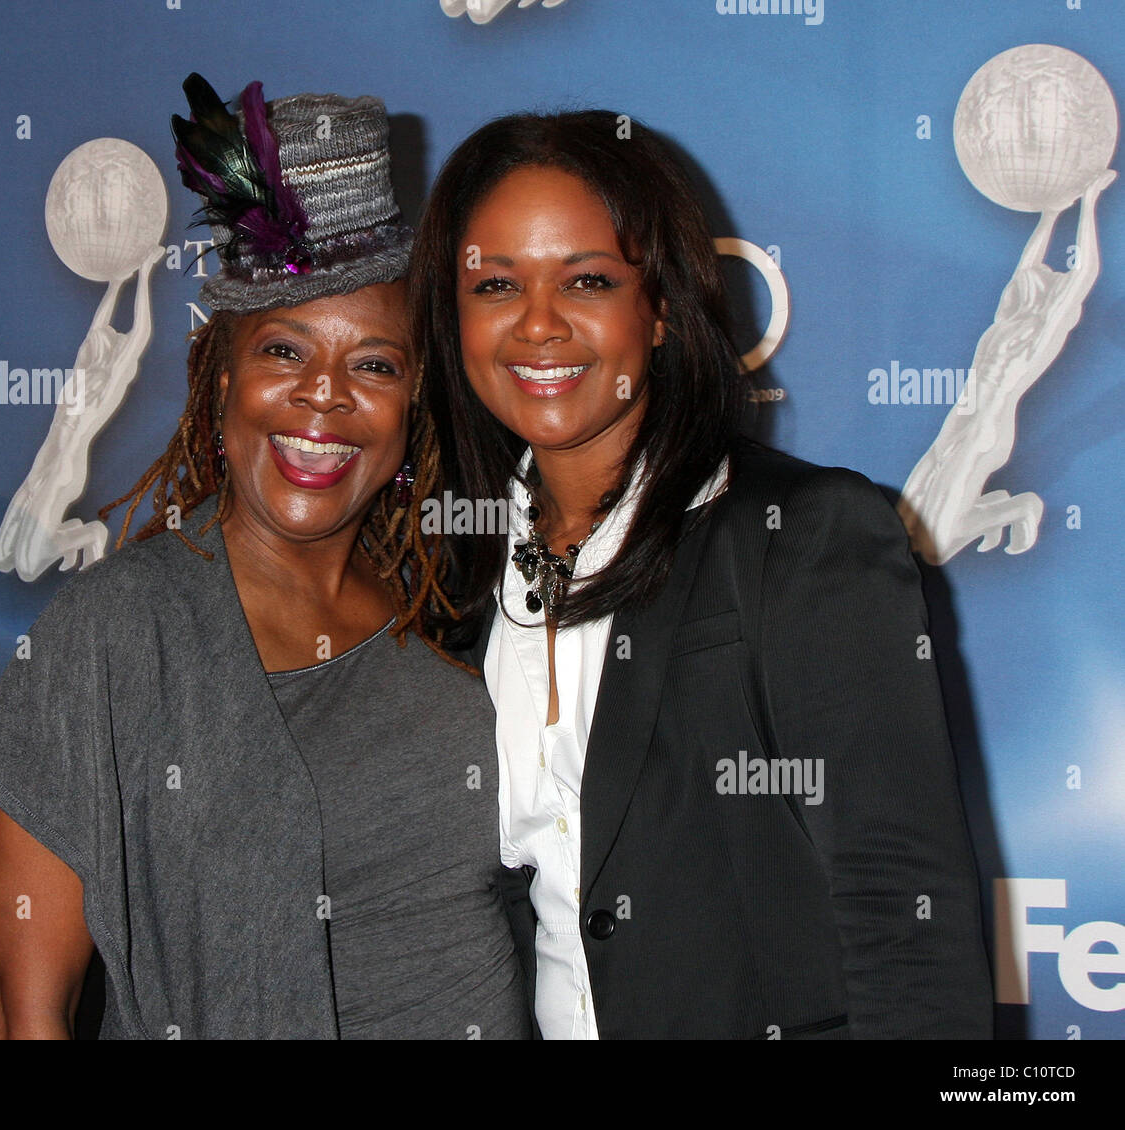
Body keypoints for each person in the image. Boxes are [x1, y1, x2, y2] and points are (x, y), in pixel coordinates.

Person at [0, 75, 529, 1040]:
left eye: (374, 364)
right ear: (221, 377)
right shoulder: (111, 637)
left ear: (412, 398)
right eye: (284, 353)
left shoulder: (457, 602)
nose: (325, 397)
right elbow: (22, 1013)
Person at [410, 110, 993, 1039]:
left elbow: (904, 916)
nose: (538, 326)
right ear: (453, 317)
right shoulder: (453, 573)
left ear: (665, 308)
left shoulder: (799, 534)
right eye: (494, 285)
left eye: (589, 280)